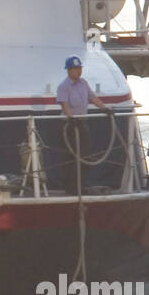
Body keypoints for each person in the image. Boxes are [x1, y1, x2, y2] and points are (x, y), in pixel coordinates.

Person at [56, 55, 110, 195]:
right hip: (69, 125)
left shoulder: (84, 83)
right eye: (75, 69)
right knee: (70, 157)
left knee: (84, 156)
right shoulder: (63, 87)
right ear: (68, 70)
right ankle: (71, 188)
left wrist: (105, 108)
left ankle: (81, 185)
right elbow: (65, 104)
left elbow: (93, 98)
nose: (78, 71)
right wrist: (71, 118)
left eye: (79, 68)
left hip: (82, 124)